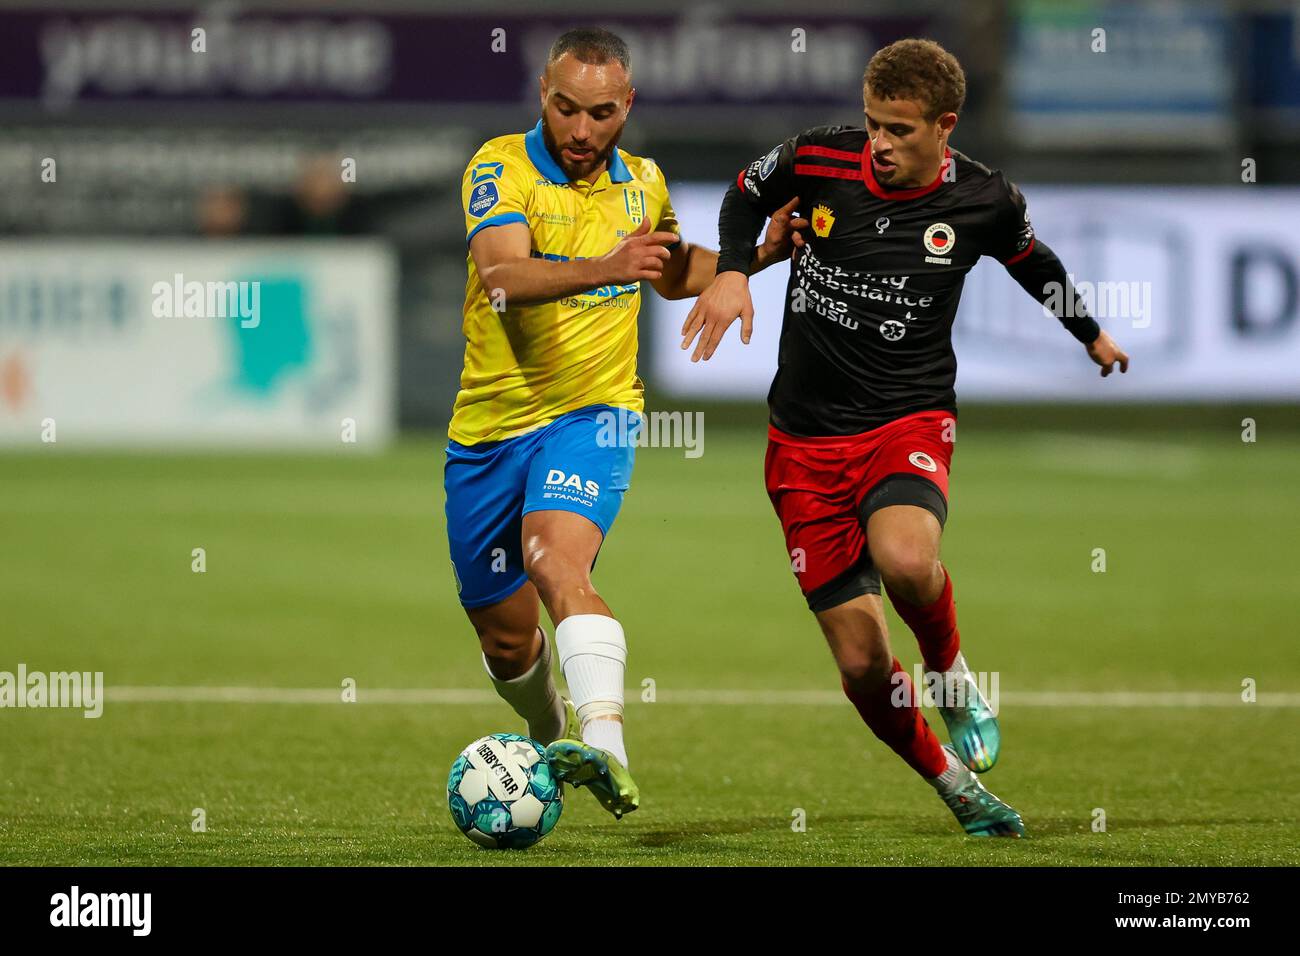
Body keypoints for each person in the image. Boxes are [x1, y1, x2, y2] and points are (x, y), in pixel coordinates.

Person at [681, 37, 1130, 837]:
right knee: (859, 664)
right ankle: (951, 781)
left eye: (897, 129)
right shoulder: (819, 158)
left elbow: (1034, 264)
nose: (879, 145)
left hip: (905, 418)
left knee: (907, 559)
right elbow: (746, 193)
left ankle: (951, 676)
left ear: (944, 126)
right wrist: (734, 269)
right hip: (803, 442)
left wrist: (1089, 334)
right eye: (872, 124)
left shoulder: (985, 201)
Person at [447, 27, 803, 819]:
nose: (581, 130)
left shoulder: (643, 183)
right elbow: (502, 277)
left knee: (555, 560)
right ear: (544, 95)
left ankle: (605, 745)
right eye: (567, 108)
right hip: (487, 432)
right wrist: (606, 267)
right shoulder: (500, 166)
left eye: (601, 113)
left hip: (595, 414)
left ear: (627, 105)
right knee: (507, 642)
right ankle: (550, 730)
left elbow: (671, 269)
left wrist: (759, 256)